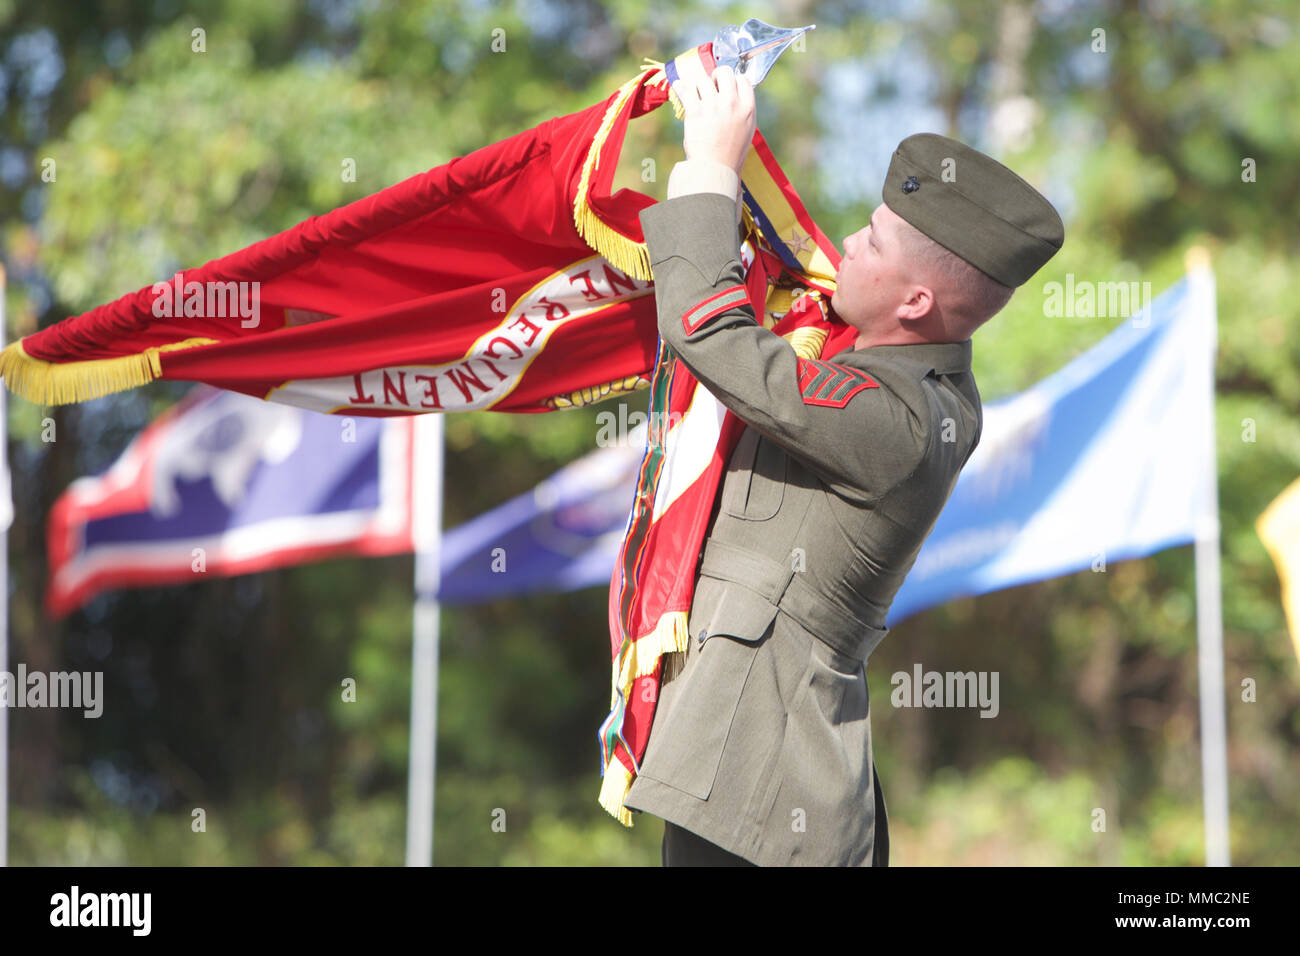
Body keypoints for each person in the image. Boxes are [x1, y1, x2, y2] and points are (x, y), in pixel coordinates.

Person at [622, 64, 1064, 866]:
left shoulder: (902, 418)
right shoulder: (885, 367)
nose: (848, 245)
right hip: (745, 767)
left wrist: (713, 165)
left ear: (916, 304)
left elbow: (714, 337)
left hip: (759, 785)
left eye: (872, 240)